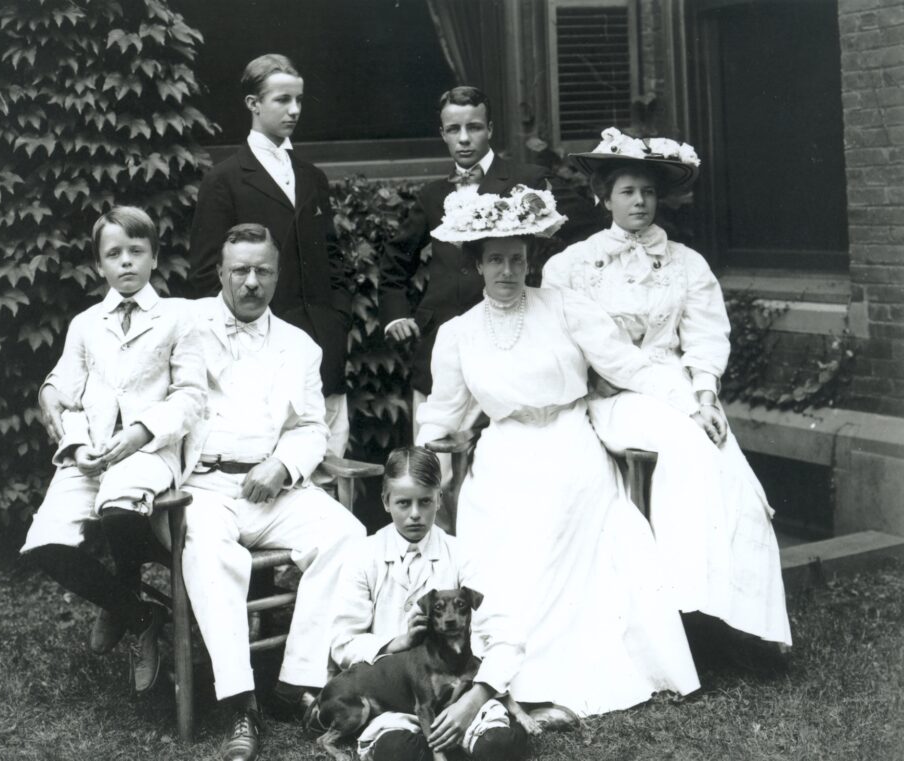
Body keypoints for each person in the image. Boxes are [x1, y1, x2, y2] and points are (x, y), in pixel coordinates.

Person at [414, 186, 702, 717]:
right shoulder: (457, 333)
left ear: (530, 261)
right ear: (477, 264)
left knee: (554, 517)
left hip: (569, 440)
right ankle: (507, 671)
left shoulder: (564, 308)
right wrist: (426, 450)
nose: (507, 270)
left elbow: (625, 365)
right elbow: (443, 410)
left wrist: (691, 401)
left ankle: (556, 679)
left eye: (517, 259)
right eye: (495, 259)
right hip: (504, 448)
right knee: (495, 525)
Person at [542, 127, 792, 652]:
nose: (640, 201)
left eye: (649, 191)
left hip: (681, 395)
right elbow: (611, 357)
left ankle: (743, 617)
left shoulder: (686, 262)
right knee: (687, 451)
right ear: (603, 196)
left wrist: (704, 394)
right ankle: (686, 608)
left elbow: (705, 336)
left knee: (730, 469)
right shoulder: (570, 267)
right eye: (628, 191)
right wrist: (684, 405)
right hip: (616, 396)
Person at [182, 223, 366, 761]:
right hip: (204, 486)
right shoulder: (185, 325)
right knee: (214, 554)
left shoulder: (298, 345)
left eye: (263, 271)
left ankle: (294, 683)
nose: (251, 282)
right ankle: (241, 705)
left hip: (271, 488)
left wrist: (282, 465)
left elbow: (311, 426)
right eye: (239, 270)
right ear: (220, 273)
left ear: (277, 276)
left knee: (347, 534)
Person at [25, 206, 207, 694]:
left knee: (120, 509)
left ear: (153, 258)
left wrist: (143, 432)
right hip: (91, 452)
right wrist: (66, 425)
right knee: (45, 544)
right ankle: (137, 611)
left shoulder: (179, 316)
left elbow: (192, 395)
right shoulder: (86, 323)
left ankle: (122, 596)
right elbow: (62, 384)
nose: (125, 262)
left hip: (148, 449)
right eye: (113, 254)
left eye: (136, 251)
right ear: (98, 264)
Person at [188, 53, 351, 458]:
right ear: (253, 104)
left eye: (299, 100)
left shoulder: (312, 176)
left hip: (321, 345)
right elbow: (207, 273)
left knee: (328, 457)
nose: (294, 110)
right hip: (256, 356)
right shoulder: (224, 179)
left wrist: (337, 317)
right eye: (282, 100)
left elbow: (333, 260)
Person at [328, 446, 534, 761]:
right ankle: (446, 747)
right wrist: (397, 642)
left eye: (425, 501)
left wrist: (474, 700)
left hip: (462, 693)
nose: (415, 514)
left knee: (498, 746)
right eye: (403, 503)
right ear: (385, 502)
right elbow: (343, 644)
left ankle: (476, 737)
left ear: (439, 498)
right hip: (400, 700)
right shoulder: (362, 556)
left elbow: (507, 634)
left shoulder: (462, 554)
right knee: (397, 751)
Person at [378, 86, 550, 438]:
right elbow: (395, 263)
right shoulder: (432, 195)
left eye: (474, 127)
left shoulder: (526, 181)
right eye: (454, 130)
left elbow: (556, 253)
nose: (464, 138)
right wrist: (397, 313)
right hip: (441, 336)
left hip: (508, 334)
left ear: (490, 129)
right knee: (433, 454)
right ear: (442, 134)